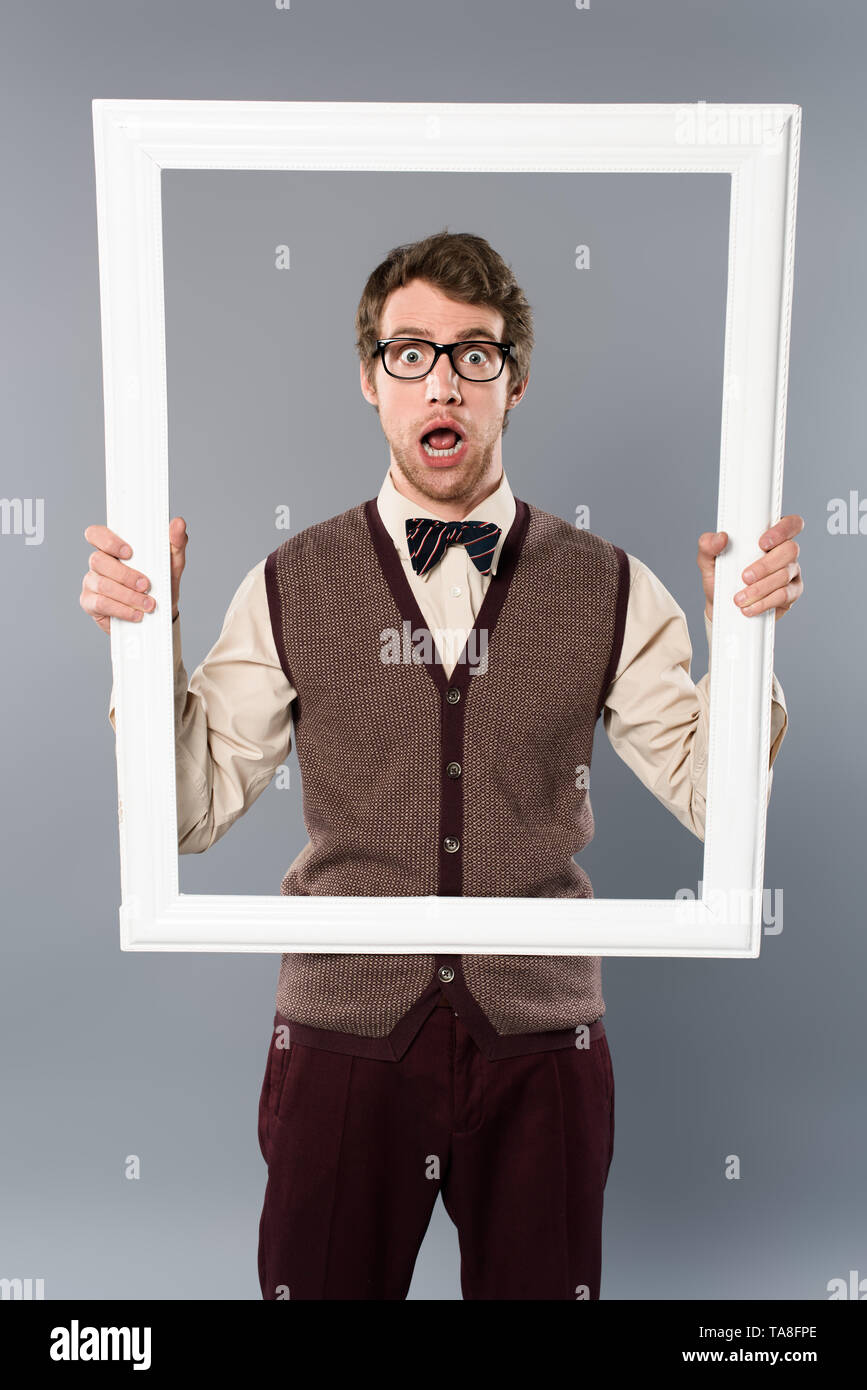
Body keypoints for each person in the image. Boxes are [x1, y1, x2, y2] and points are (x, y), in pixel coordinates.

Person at [81, 229, 803, 1300]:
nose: (445, 382)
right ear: (371, 378)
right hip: (343, 1034)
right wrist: (147, 638)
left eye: (476, 354)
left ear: (514, 382)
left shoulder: (608, 584)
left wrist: (746, 646)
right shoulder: (292, 580)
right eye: (412, 352)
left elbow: (716, 799)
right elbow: (184, 814)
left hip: (542, 1042)